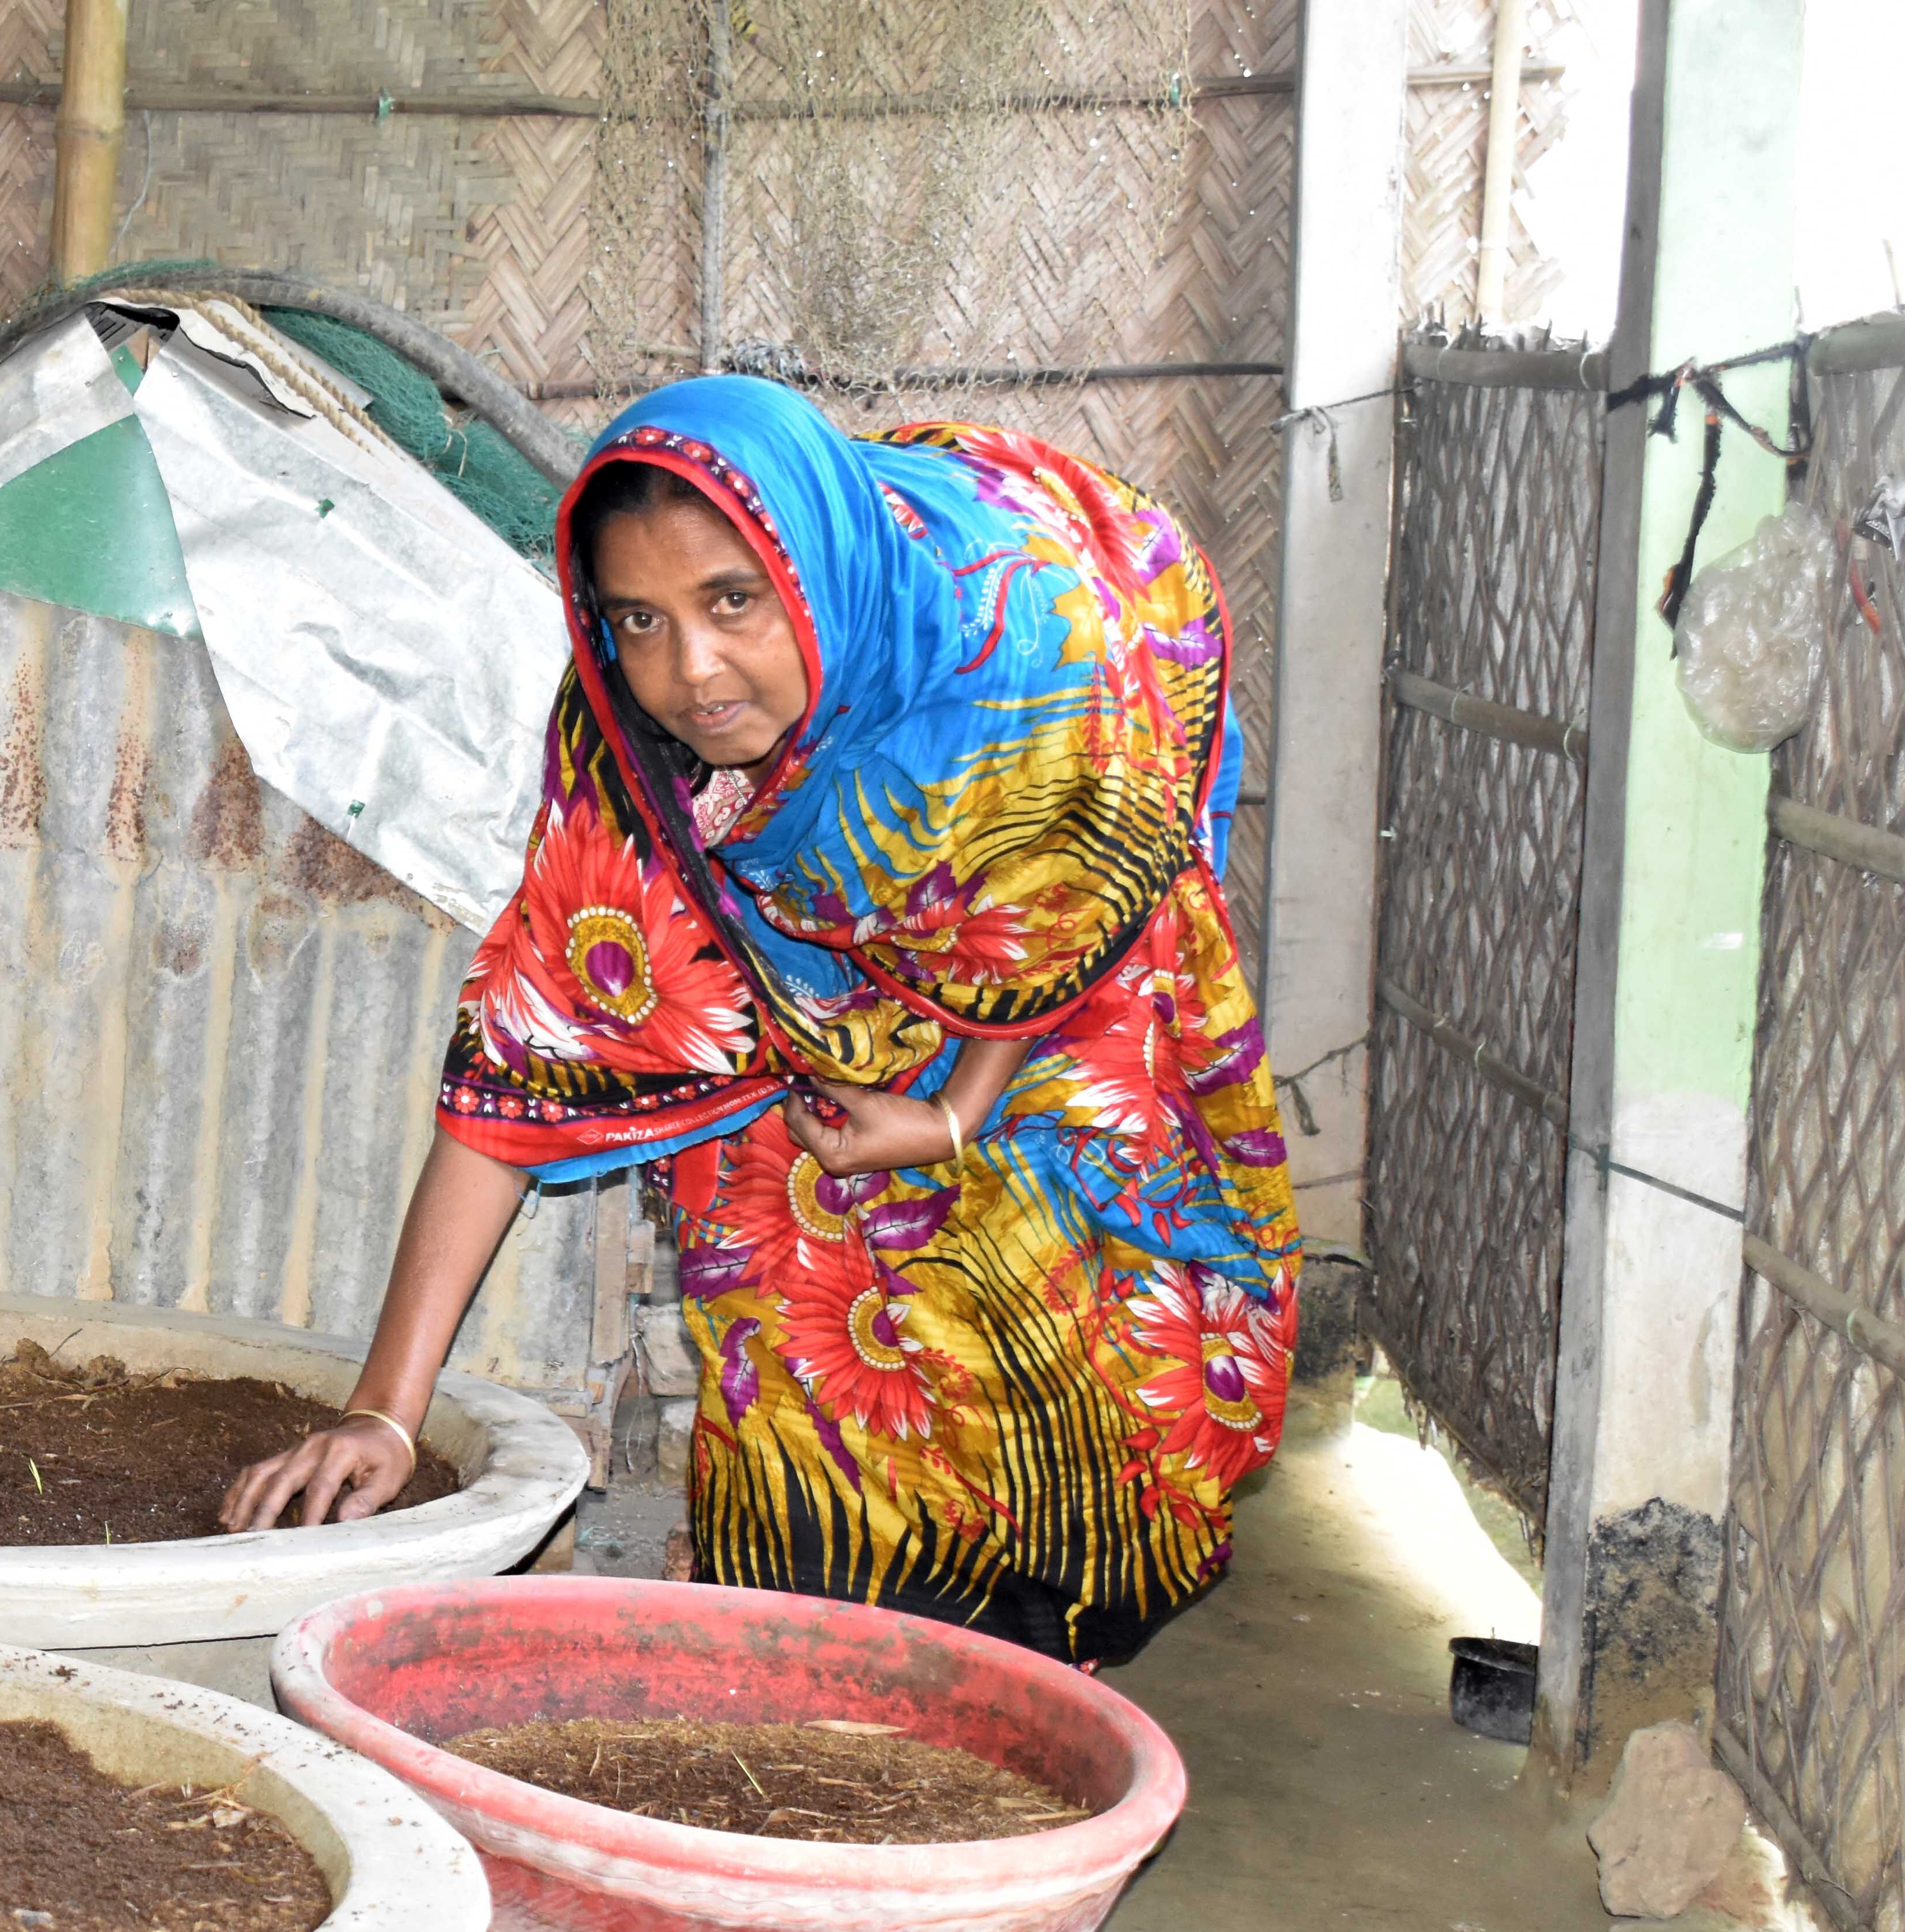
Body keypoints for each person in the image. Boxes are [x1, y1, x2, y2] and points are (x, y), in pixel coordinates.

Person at [220, 377, 1301, 1666]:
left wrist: (957, 1110)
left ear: (803, 570)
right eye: (638, 619)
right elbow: (531, 1054)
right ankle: (829, 1627)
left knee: (1050, 1273)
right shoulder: (635, 745)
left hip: (1065, 873)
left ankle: (1038, 1647)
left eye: (732, 600)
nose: (692, 672)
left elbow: (1068, 896)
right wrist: (386, 1413)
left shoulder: (1025, 646)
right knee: (789, 1214)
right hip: (851, 939)